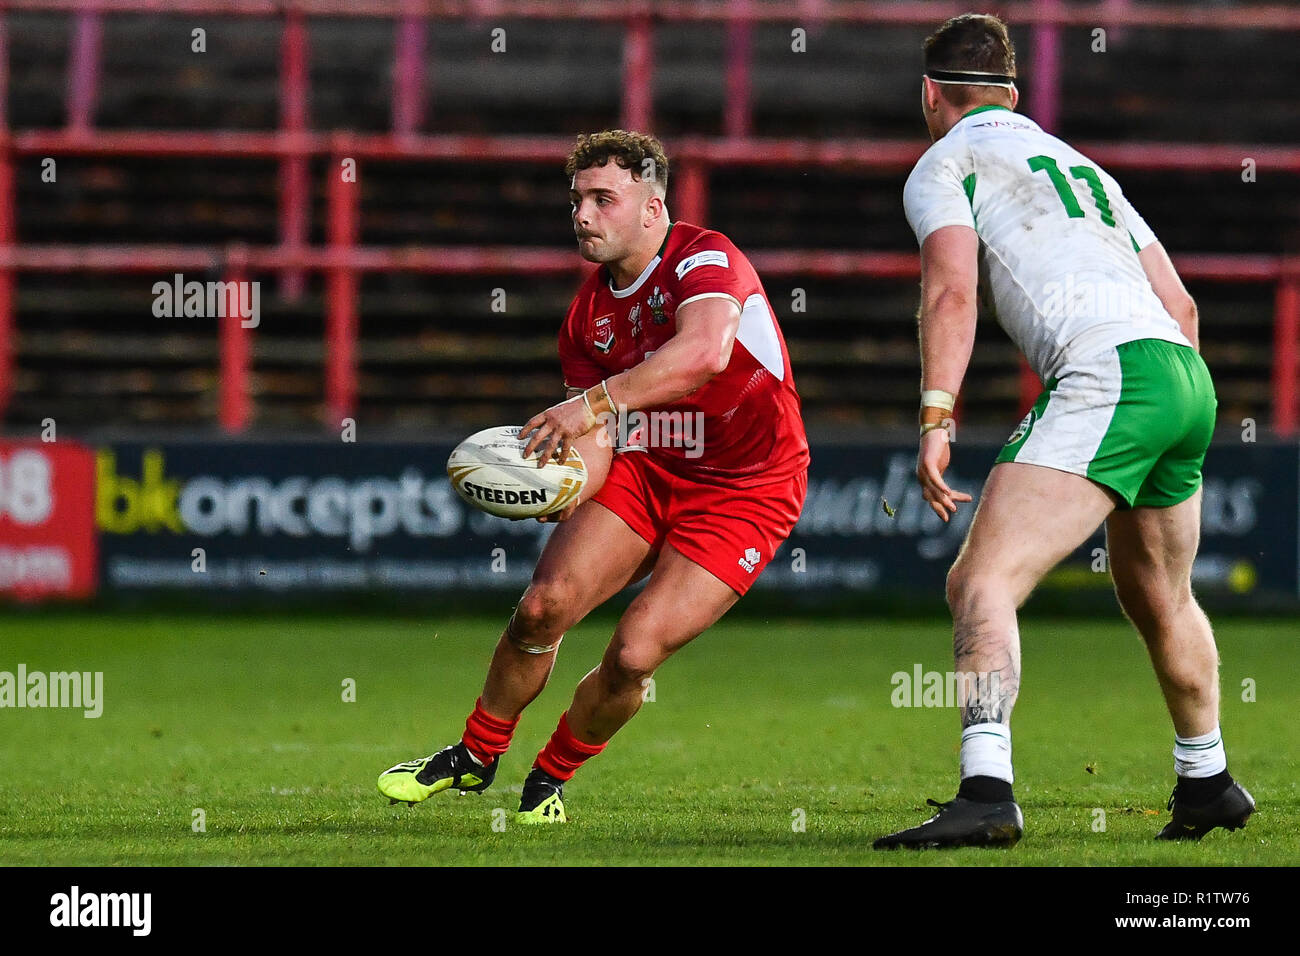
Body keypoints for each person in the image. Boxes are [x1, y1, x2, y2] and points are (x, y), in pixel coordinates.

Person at [873, 13, 1254, 849]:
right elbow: (1182, 304)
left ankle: (985, 793)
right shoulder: (1083, 167)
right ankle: (1209, 780)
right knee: (1160, 593)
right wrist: (1165, 416)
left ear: (931, 93)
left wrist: (937, 415)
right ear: (1014, 94)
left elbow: (951, 293)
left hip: (1111, 374)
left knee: (980, 584)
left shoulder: (946, 161)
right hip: (1182, 374)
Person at [378, 129, 809, 822]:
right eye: (577, 199)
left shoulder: (705, 258)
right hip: (651, 466)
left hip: (747, 489)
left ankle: (548, 778)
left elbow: (702, 353)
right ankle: (475, 754)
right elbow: (602, 437)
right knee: (543, 606)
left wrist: (591, 404)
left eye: (603, 198)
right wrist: (571, 481)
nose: (582, 215)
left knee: (635, 654)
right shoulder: (585, 319)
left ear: (652, 206)